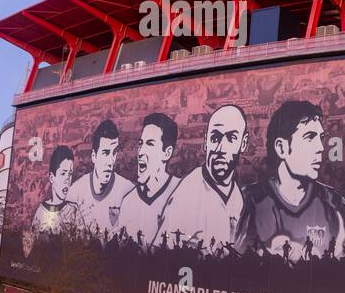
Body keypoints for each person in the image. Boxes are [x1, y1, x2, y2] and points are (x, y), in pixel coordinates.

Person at [235, 100, 345, 261]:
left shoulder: (342, 210)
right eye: (309, 137)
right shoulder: (244, 202)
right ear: (281, 148)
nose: (320, 147)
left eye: (321, 138)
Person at [158, 105, 249, 250]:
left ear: (243, 143)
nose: (221, 148)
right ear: (206, 142)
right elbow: (165, 255)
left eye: (231, 138)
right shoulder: (187, 194)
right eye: (215, 138)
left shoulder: (237, 196)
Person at [117, 113, 181, 246]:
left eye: (150, 144)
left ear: (167, 153)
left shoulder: (181, 192)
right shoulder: (129, 201)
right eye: (141, 144)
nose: (140, 152)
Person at [68, 119, 135, 237]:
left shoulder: (128, 191)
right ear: (94, 156)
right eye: (105, 153)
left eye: (114, 153)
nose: (110, 161)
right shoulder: (76, 192)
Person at [33, 145, 79, 235]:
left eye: (70, 174)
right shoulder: (41, 210)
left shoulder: (73, 210)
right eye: (63, 173)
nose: (67, 179)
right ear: (51, 178)